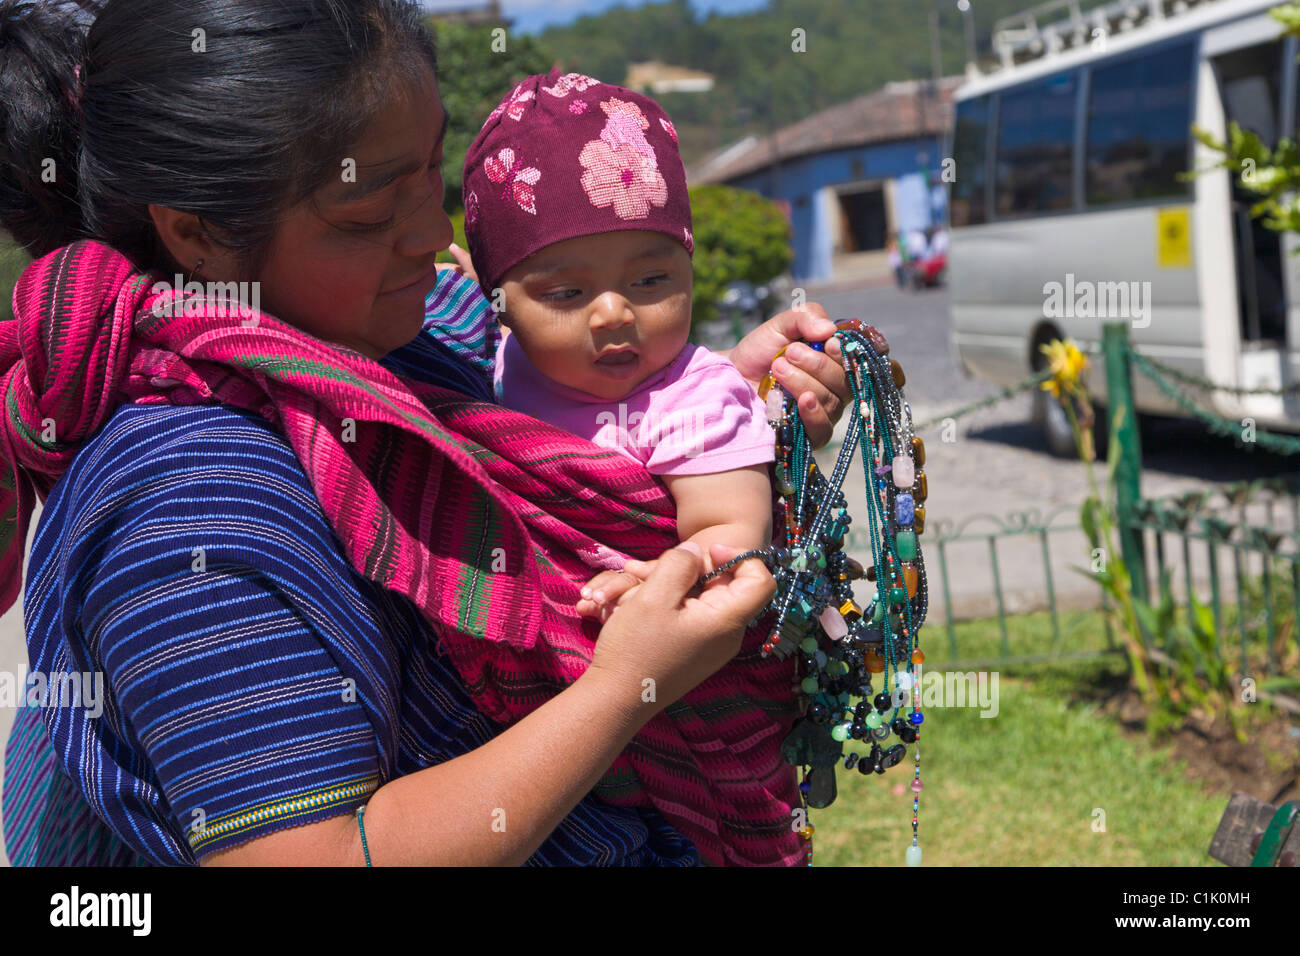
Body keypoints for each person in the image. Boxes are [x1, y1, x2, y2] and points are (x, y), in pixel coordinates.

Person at [0, 0, 848, 866]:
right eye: (368, 211)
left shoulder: (405, 348)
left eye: (433, 172)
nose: (434, 236)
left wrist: (708, 393)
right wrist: (624, 687)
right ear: (201, 232)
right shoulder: (190, 515)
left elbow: (577, 412)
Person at [458, 71, 773, 620]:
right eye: (565, 292)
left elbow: (731, 535)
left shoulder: (695, 403)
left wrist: (663, 580)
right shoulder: (499, 358)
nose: (613, 314)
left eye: (650, 281)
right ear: (499, 301)